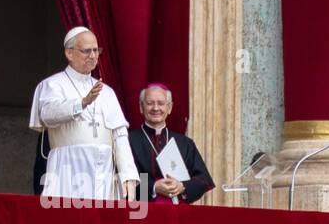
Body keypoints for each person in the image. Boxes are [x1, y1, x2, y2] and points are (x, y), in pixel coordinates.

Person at [28, 27, 138, 201]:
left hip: (103, 172)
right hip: (67, 168)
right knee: (66, 223)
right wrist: (81, 103)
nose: (93, 56)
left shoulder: (107, 92)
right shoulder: (52, 85)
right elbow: (48, 115)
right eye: (87, 51)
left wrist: (128, 174)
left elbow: (120, 135)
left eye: (96, 50)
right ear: (69, 53)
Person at [126, 83, 214, 204]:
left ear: (169, 108)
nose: (156, 108)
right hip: (141, 213)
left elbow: (203, 180)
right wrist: (153, 187)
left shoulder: (184, 143)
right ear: (141, 107)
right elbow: (122, 180)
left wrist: (182, 186)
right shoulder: (128, 141)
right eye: (149, 103)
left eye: (161, 103)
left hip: (178, 215)